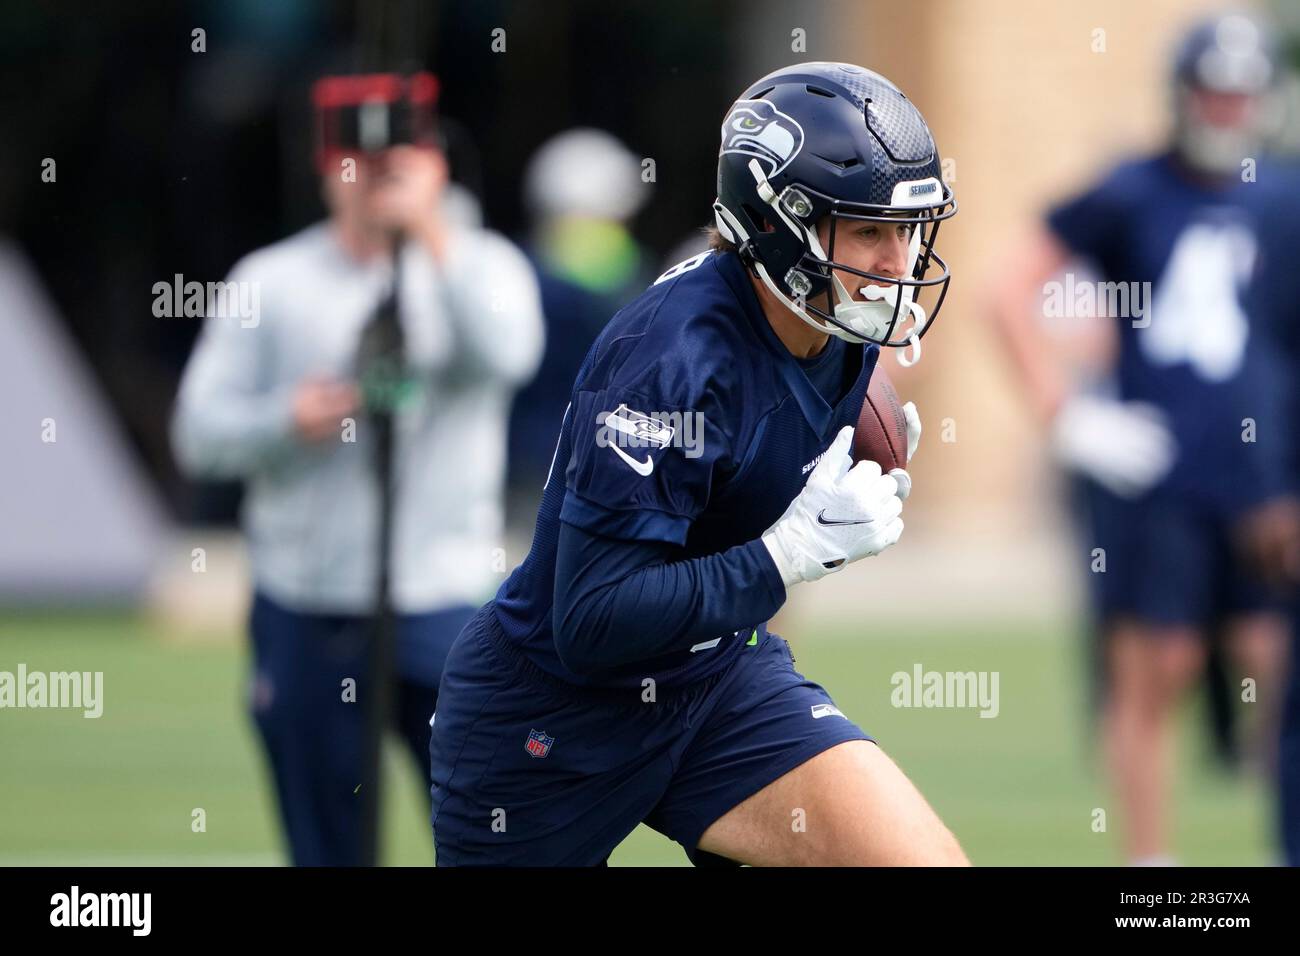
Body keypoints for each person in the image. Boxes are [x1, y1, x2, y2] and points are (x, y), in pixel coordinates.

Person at [428, 61, 967, 866]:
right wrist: (784, 557)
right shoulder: (674, 360)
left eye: (908, 230)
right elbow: (593, 621)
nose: (897, 263)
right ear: (779, 224)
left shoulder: (830, 323)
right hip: (549, 718)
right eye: (868, 231)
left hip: (714, 683)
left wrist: (846, 445)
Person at [171, 72, 544, 865]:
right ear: (325, 166)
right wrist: (286, 419)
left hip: (443, 596)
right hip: (309, 602)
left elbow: (511, 353)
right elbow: (198, 432)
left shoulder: (483, 267)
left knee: (501, 819)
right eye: (360, 163)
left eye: (399, 161)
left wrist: (433, 237)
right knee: (327, 840)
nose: (378, 180)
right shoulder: (270, 281)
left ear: (435, 164)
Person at [988, 12, 1290, 865]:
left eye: (1240, 94)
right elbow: (1007, 289)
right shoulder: (1131, 190)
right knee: (1159, 666)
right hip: (1159, 474)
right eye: (1212, 92)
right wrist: (1067, 415)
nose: (1226, 110)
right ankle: (1151, 873)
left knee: (1276, 665)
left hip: (1268, 477)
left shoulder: (1283, 195)